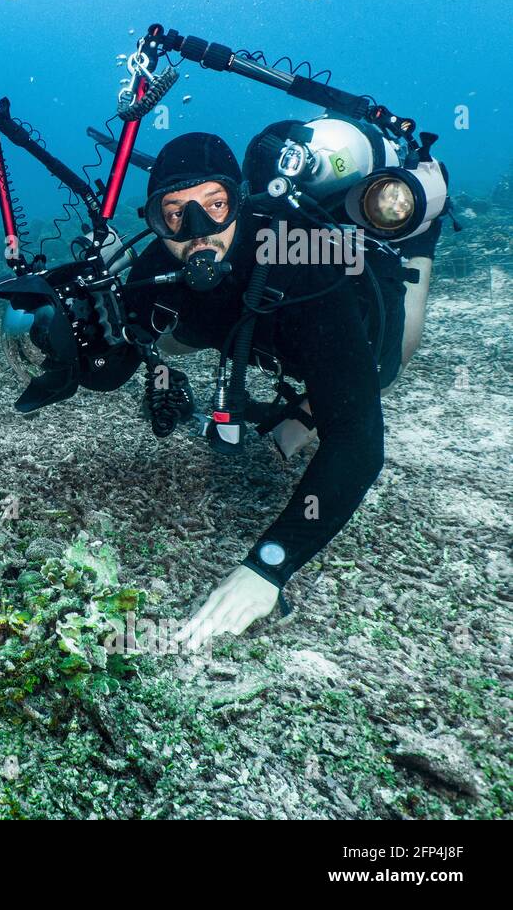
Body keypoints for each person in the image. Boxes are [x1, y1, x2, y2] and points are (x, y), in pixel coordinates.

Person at [105, 132, 444, 649]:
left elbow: (358, 442)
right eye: (174, 213)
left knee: (382, 371)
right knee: (182, 342)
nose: (198, 232)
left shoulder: (305, 262)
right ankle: (303, 409)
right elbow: (131, 341)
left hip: (358, 337)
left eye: (215, 206)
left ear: (239, 201)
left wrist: (267, 569)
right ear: (154, 220)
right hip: (250, 329)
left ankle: (419, 239)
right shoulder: (160, 262)